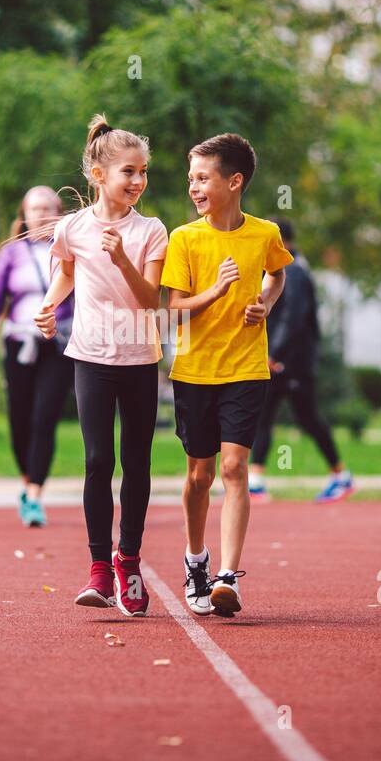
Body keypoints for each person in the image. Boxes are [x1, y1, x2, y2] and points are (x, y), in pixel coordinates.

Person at [36, 115, 168, 617]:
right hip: (90, 357)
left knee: (136, 462)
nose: (137, 181)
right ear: (98, 174)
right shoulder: (71, 228)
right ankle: (98, 568)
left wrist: (123, 260)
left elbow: (151, 299)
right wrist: (48, 307)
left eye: (143, 173)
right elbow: (65, 275)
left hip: (139, 358)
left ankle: (128, 559)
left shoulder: (151, 230)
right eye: (128, 172)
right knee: (97, 461)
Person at [162, 133, 292, 618]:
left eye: (202, 178)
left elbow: (278, 274)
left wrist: (266, 302)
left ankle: (227, 577)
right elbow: (173, 307)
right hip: (195, 370)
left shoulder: (264, 234)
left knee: (235, 468)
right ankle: (197, 560)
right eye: (190, 179)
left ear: (234, 182)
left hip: (246, 367)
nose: (193, 187)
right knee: (201, 474)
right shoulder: (184, 238)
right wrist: (216, 292)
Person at [0, 186, 76, 527]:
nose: (42, 213)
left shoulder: (73, 250)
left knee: (45, 417)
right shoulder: (11, 254)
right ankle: (27, 478)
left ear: (59, 212)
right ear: (24, 213)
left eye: (49, 207)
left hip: (59, 344)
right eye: (35, 207)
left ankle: (34, 495)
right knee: (20, 420)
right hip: (19, 343)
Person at [247, 218, 353, 504]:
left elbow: (292, 319)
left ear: (280, 242)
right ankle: (255, 478)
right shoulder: (292, 270)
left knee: (302, 417)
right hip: (289, 360)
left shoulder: (292, 272)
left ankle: (339, 475)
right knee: (273, 415)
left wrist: (274, 353)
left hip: (290, 362)